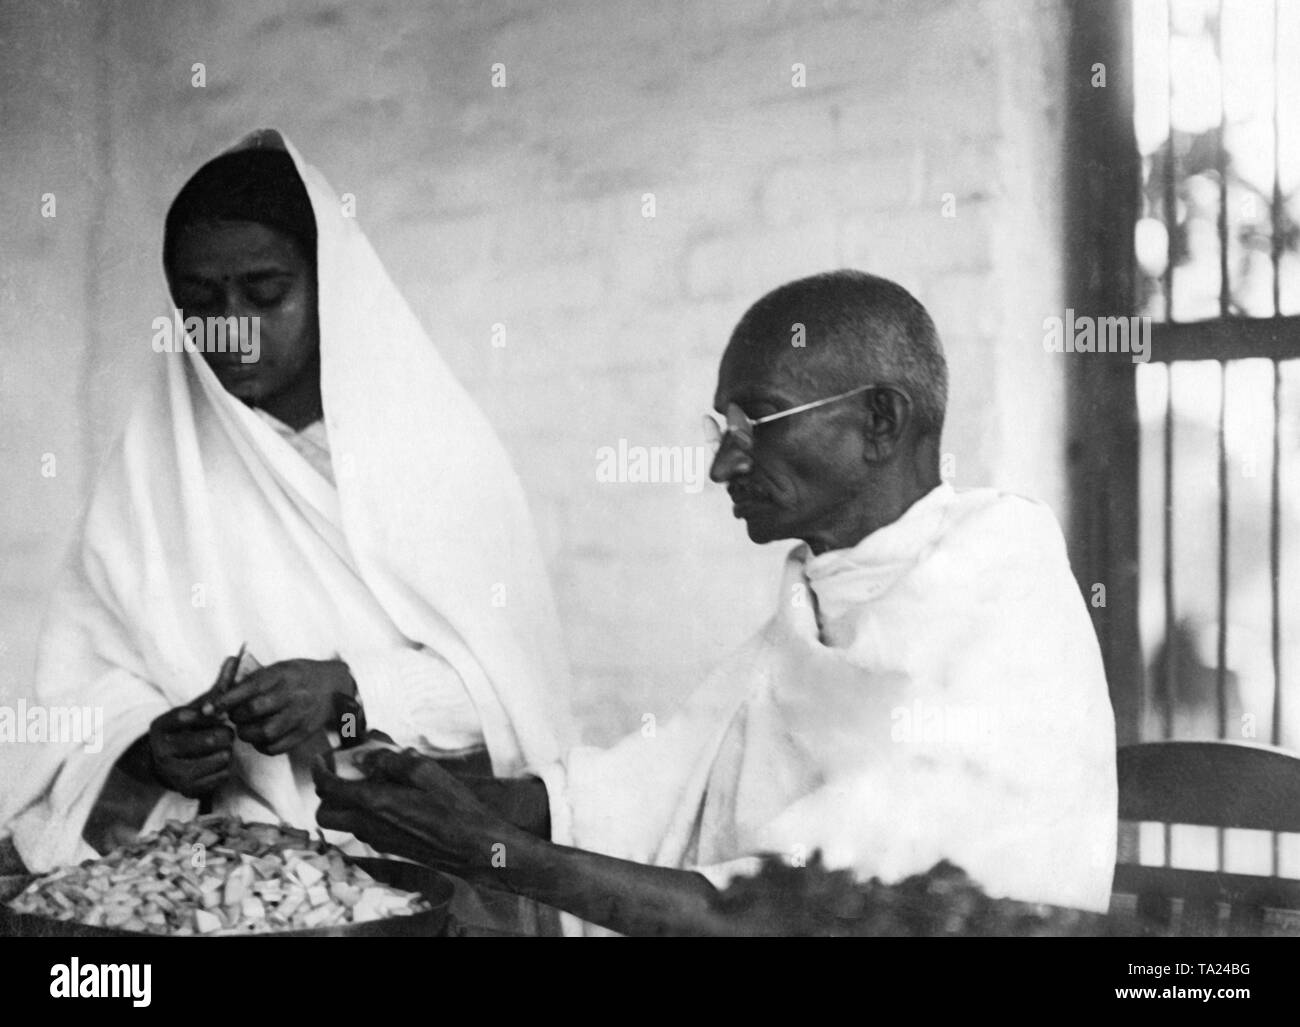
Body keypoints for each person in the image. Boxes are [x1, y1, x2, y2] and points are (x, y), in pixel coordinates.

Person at [313, 270, 1119, 936]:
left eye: (757, 421)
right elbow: (658, 780)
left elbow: (804, 920)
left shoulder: (998, 589)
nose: (722, 465)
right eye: (719, 428)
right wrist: (458, 799)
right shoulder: (818, 592)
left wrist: (490, 848)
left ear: (880, 421)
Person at [3, 130, 573, 875]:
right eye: (200, 302)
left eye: (265, 293)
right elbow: (76, 695)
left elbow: (516, 694)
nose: (231, 326)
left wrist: (348, 688)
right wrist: (150, 747)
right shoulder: (151, 469)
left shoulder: (437, 452)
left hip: (422, 864)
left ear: (326, 283)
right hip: (218, 879)